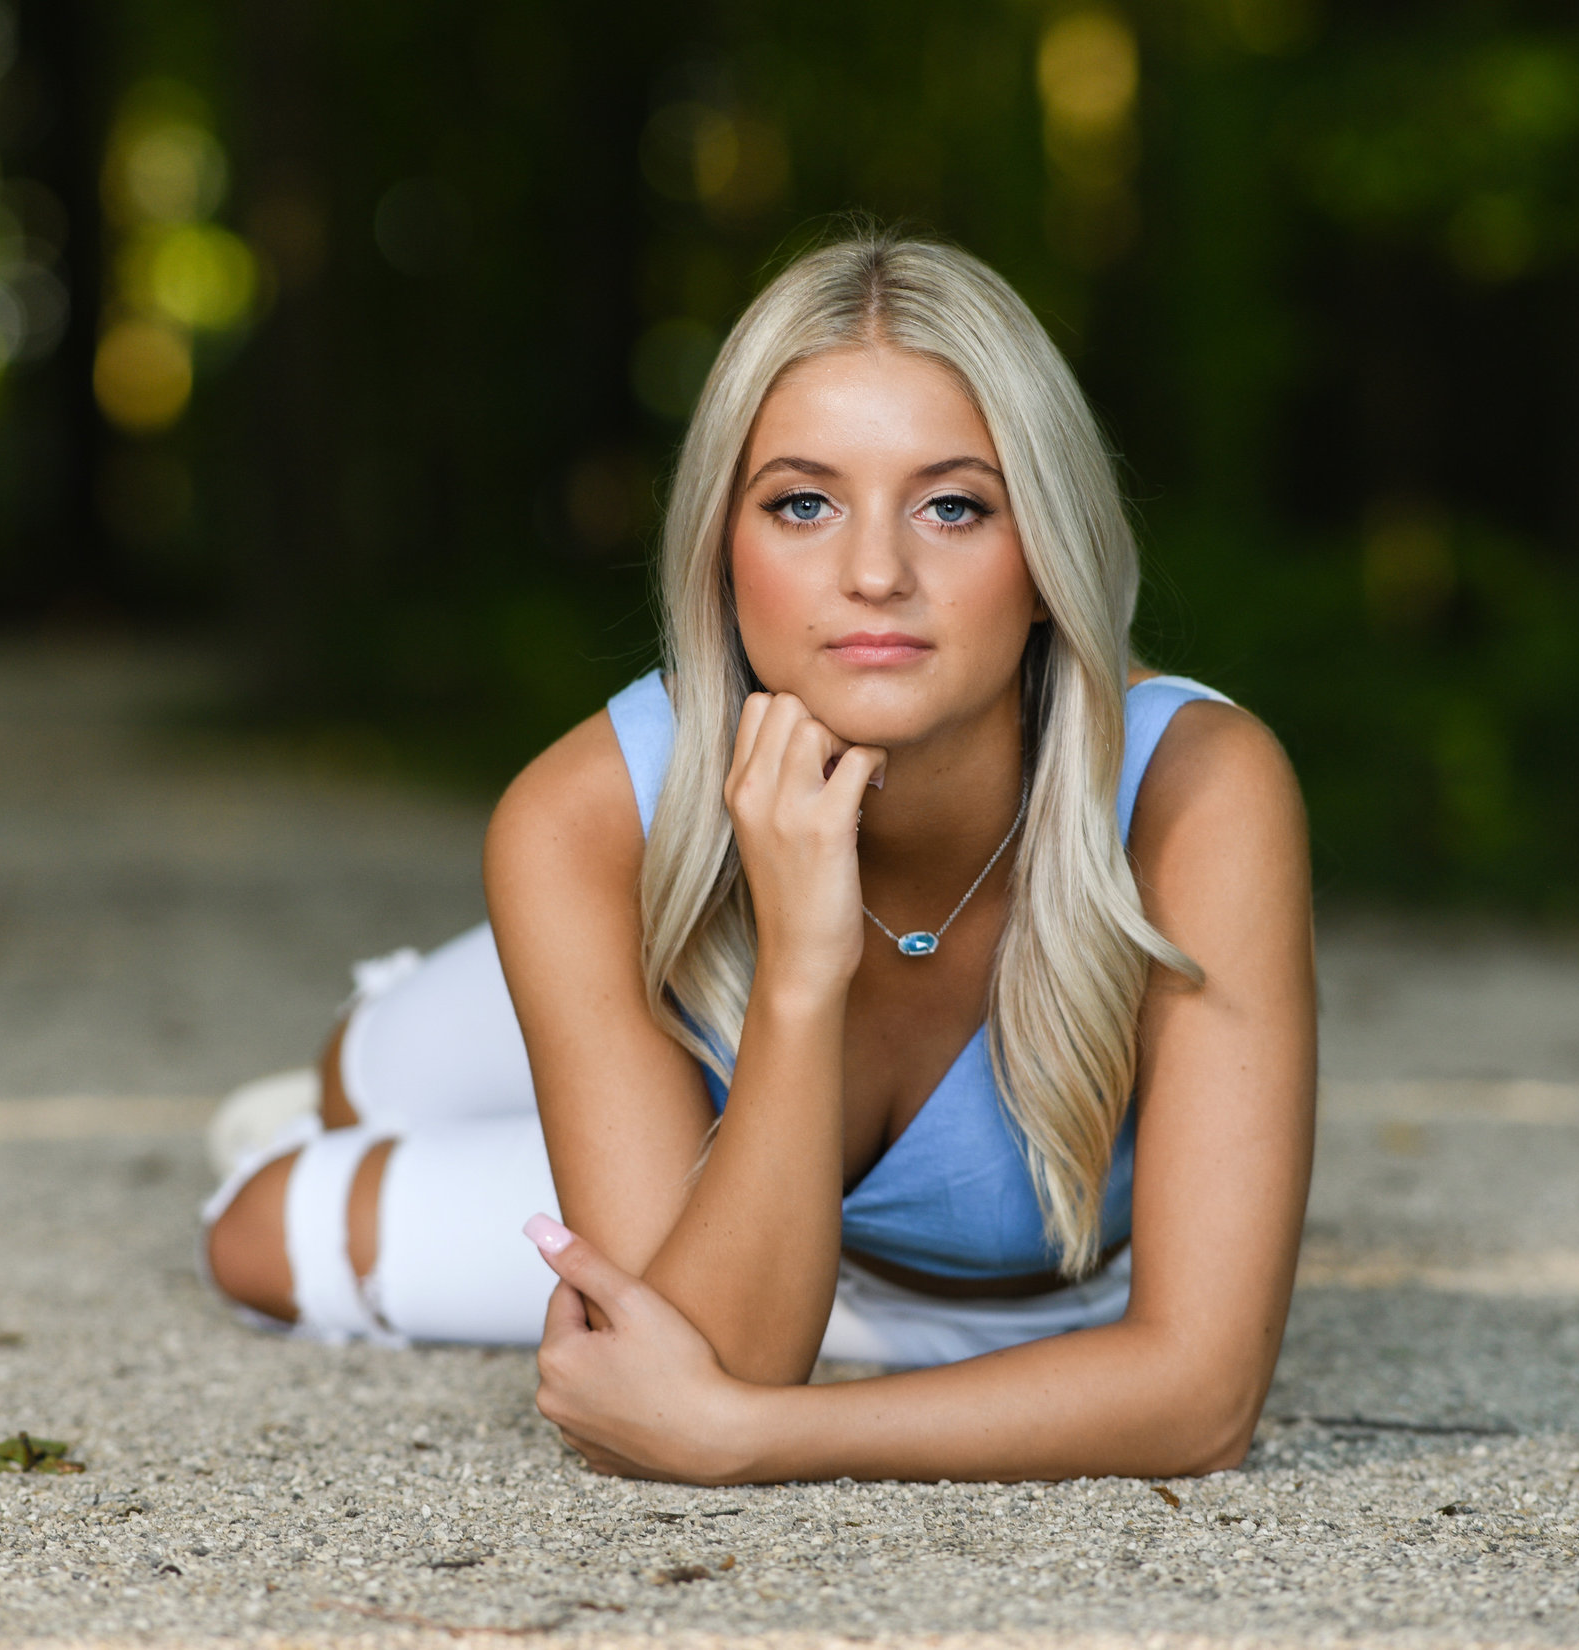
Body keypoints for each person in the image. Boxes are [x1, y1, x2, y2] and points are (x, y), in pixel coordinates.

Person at [200, 230, 1316, 1485]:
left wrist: (766, 1433)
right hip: (697, 1039)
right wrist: (799, 964)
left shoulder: (1200, 790)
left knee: (266, 1231)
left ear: (1048, 549)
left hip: (850, 1268)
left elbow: (1199, 1397)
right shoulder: (580, 815)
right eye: (803, 503)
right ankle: (410, 1061)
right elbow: (696, 1368)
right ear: (722, 547)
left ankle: (601, 1125)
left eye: (953, 505)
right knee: (362, 1080)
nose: (877, 572)